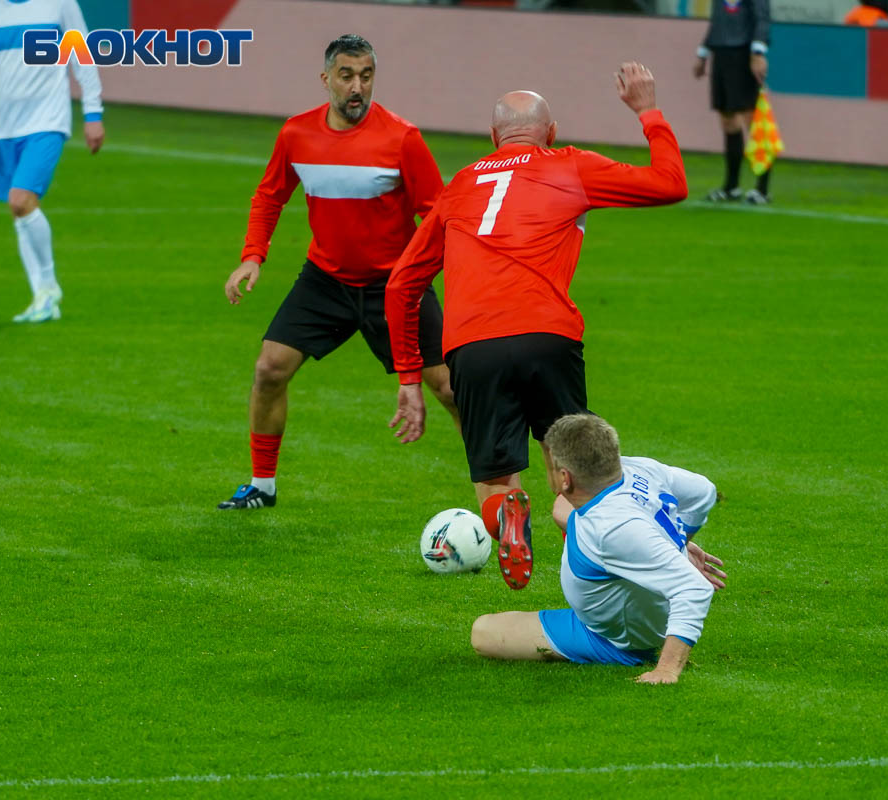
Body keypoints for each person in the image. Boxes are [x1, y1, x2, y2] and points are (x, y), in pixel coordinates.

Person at [385, 63, 687, 589]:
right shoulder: (569, 164)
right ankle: (595, 569)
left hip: (473, 345)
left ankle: (507, 514)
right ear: (551, 133)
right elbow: (671, 183)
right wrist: (648, 112)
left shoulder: (459, 187)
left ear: (491, 136)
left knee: (495, 477)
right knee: (578, 468)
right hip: (549, 336)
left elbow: (400, 287)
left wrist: (410, 378)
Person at [219, 34, 458, 510]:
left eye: (366, 76)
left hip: (394, 284)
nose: (357, 87)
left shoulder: (402, 138)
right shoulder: (296, 134)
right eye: (347, 76)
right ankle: (262, 488)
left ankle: (498, 486)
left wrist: (424, 276)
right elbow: (270, 196)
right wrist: (252, 255)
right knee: (269, 369)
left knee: (451, 387)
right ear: (326, 78)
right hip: (325, 280)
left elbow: (438, 214)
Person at [470, 414, 726, 684]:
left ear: (565, 478)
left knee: (483, 632)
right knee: (562, 509)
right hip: (624, 545)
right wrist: (678, 541)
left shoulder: (610, 530)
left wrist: (667, 670)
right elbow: (704, 492)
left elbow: (694, 588)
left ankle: (621, 651)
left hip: (618, 637)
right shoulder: (637, 468)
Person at [0, 0, 105, 323]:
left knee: (21, 199)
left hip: (47, 120)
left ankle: (50, 285)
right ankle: (42, 298)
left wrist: (92, 113)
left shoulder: (58, 4)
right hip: (6, 126)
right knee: (19, 211)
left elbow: (83, 56)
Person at [693, 0, 772, 205]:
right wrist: (703, 53)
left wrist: (758, 53)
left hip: (744, 53)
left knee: (751, 119)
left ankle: (762, 189)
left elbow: (762, 18)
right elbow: (717, 21)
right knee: (728, 119)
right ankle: (731, 187)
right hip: (721, 53)